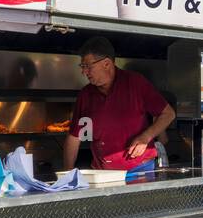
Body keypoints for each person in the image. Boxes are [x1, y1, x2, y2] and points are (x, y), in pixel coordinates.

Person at [61, 37, 177, 176]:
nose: (84, 72)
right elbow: (74, 137)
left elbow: (168, 114)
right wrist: (67, 175)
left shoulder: (135, 83)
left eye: (87, 66)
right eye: (82, 66)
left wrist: (145, 137)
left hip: (139, 170)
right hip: (101, 173)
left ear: (107, 63)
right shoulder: (85, 95)